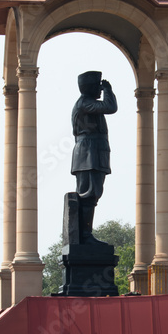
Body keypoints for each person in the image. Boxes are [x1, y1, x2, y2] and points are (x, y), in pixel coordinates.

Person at [70, 71, 117, 244]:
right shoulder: (85, 103)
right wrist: (108, 90)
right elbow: (111, 107)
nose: (99, 88)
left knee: (92, 194)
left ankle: (85, 234)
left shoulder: (86, 103)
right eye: (97, 85)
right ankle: (84, 236)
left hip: (93, 152)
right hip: (88, 154)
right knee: (88, 194)